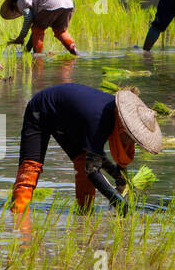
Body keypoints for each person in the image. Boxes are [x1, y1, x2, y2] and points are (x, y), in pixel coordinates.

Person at [9, 84, 163, 224]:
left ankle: (83, 218)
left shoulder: (112, 115)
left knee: (83, 162)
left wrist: (118, 177)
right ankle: (17, 222)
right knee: (30, 168)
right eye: (132, 138)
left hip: (65, 118)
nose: (132, 143)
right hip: (41, 110)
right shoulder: (99, 119)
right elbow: (92, 169)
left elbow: (95, 157)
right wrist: (118, 202)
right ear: (124, 128)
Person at [1, 0, 78, 55]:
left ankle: (37, 58)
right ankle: (74, 51)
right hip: (68, 3)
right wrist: (26, 50)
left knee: (37, 30)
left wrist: (21, 37)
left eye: (16, 11)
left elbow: (28, 18)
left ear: (14, 5)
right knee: (60, 31)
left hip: (50, 2)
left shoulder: (20, 1)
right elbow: (33, 34)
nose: (19, 12)